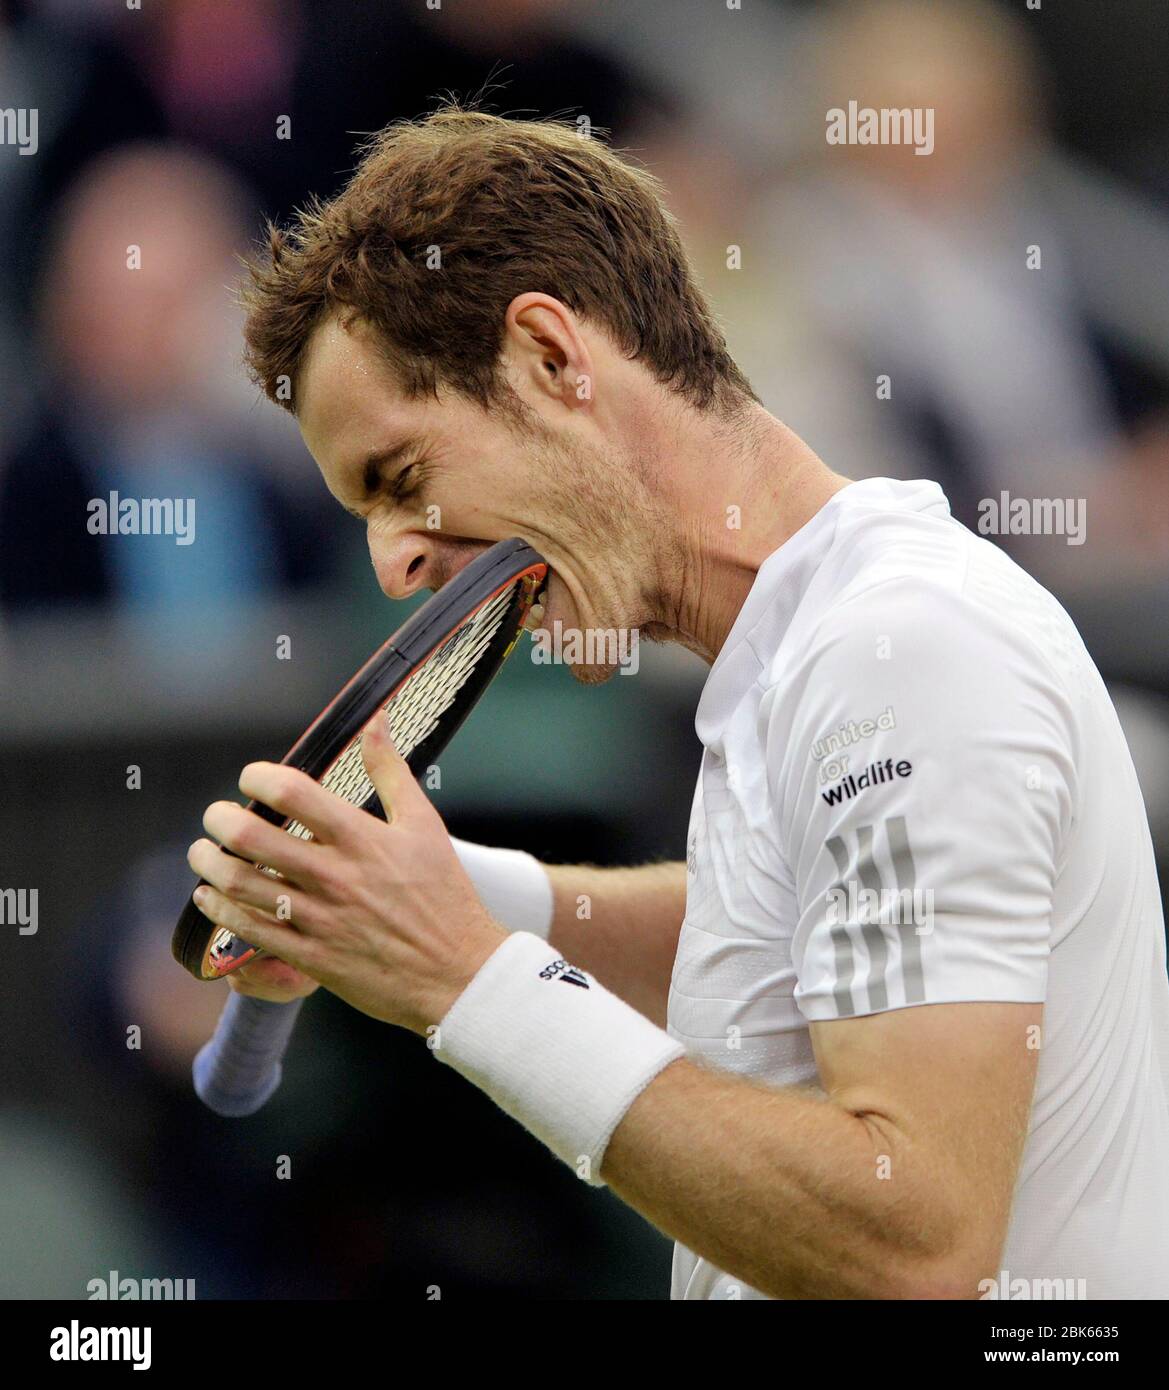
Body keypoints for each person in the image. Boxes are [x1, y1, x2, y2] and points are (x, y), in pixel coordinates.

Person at [187, 109, 1169, 1300]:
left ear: (551, 359)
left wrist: (459, 973)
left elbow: (916, 1241)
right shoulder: (812, 640)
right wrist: (421, 897)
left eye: (400, 478)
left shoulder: (899, 649)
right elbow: (780, 950)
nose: (393, 563)